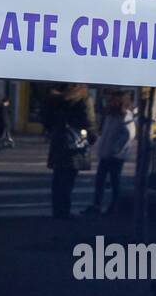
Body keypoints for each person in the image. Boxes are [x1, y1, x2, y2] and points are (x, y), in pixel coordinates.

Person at [43, 84, 93, 219]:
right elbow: (89, 121)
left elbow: (46, 121)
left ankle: (57, 210)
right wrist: (91, 137)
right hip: (74, 144)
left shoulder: (54, 99)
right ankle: (65, 211)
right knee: (68, 180)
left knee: (58, 179)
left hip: (59, 141)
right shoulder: (83, 98)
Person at [87, 92, 135, 215]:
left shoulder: (125, 116)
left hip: (115, 156)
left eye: (112, 100)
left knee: (114, 181)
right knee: (100, 181)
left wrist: (116, 149)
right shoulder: (111, 115)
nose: (109, 103)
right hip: (107, 153)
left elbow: (128, 135)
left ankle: (114, 207)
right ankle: (97, 205)